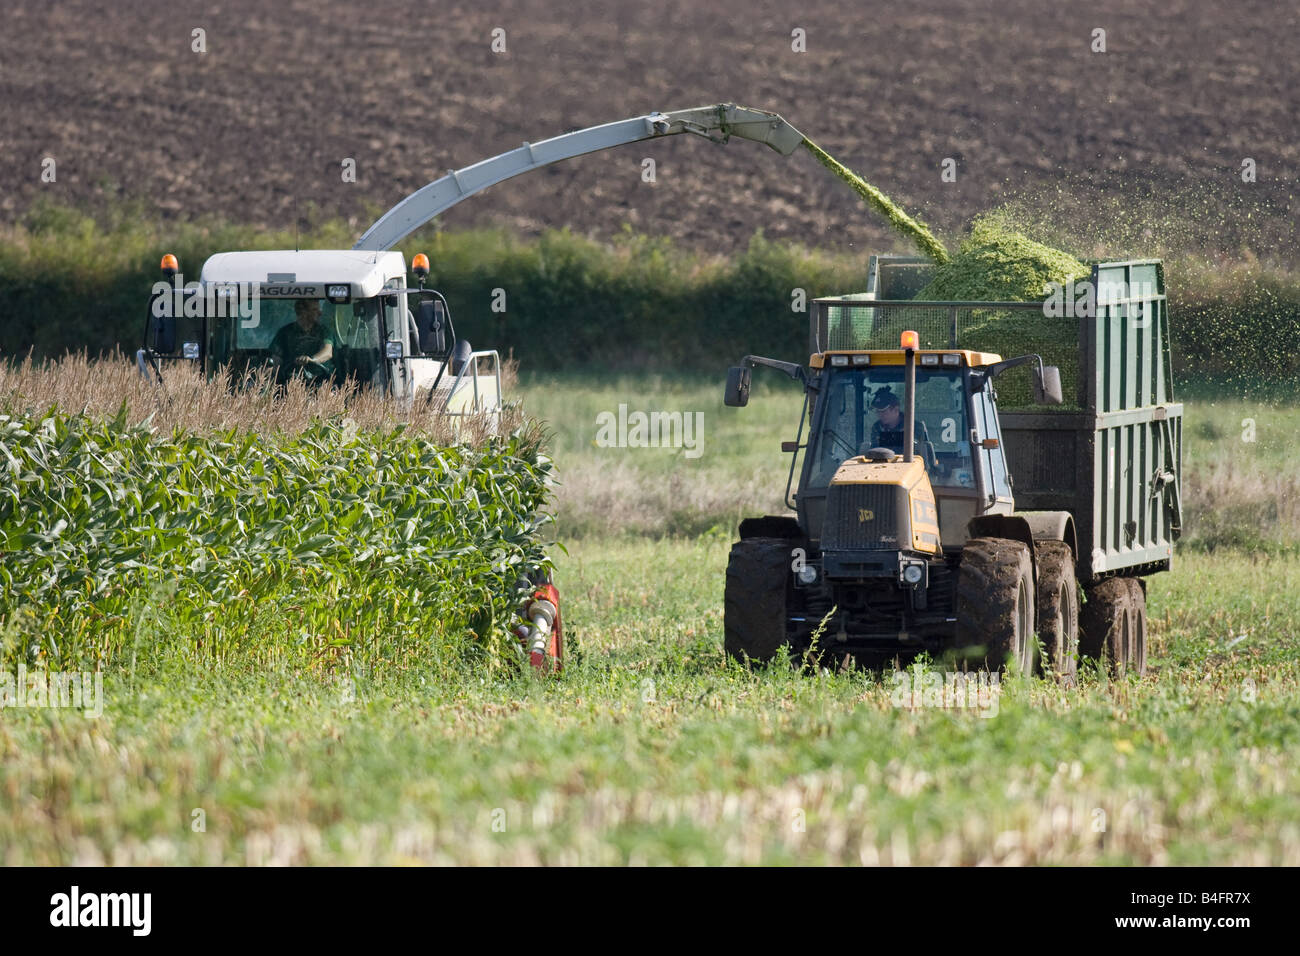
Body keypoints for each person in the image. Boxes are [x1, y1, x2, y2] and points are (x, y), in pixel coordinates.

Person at [271, 299, 336, 385]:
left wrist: (311, 359)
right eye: (315, 310)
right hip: (291, 382)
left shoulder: (324, 331)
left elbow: (327, 352)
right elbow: (276, 360)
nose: (320, 313)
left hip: (320, 382)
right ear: (302, 312)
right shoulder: (285, 333)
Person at [867, 387, 931, 453]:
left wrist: (884, 440)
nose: (880, 415)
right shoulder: (877, 427)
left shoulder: (915, 427)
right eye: (878, 411)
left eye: (883, 411)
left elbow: (914, 447)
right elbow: (875, 449)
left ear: (896, 410)